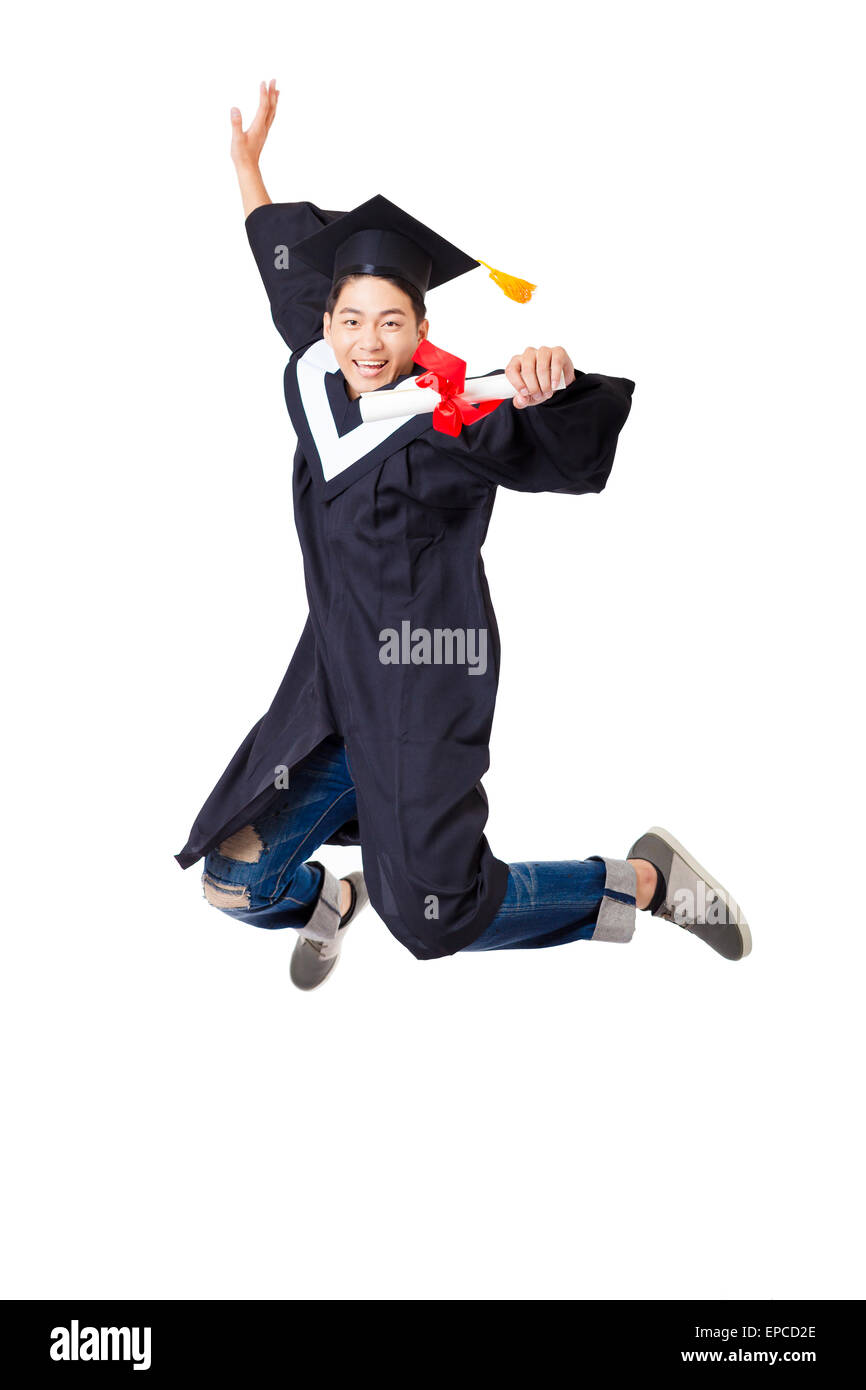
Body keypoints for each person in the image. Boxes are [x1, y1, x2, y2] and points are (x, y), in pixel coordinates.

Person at [174, 79, 751, 989]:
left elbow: (550, 434)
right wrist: (251, 172)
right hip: (331, 689)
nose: (369, 342)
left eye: (391, 323)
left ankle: (643, 880)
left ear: (421, 330)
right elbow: (285, 276)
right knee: (238, 881)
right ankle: (335, 899)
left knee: (435, 918)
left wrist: (547, 382)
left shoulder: (451, 415)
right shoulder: (316, 381)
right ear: (327, 325)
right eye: (352, 320)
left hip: (416, 684)